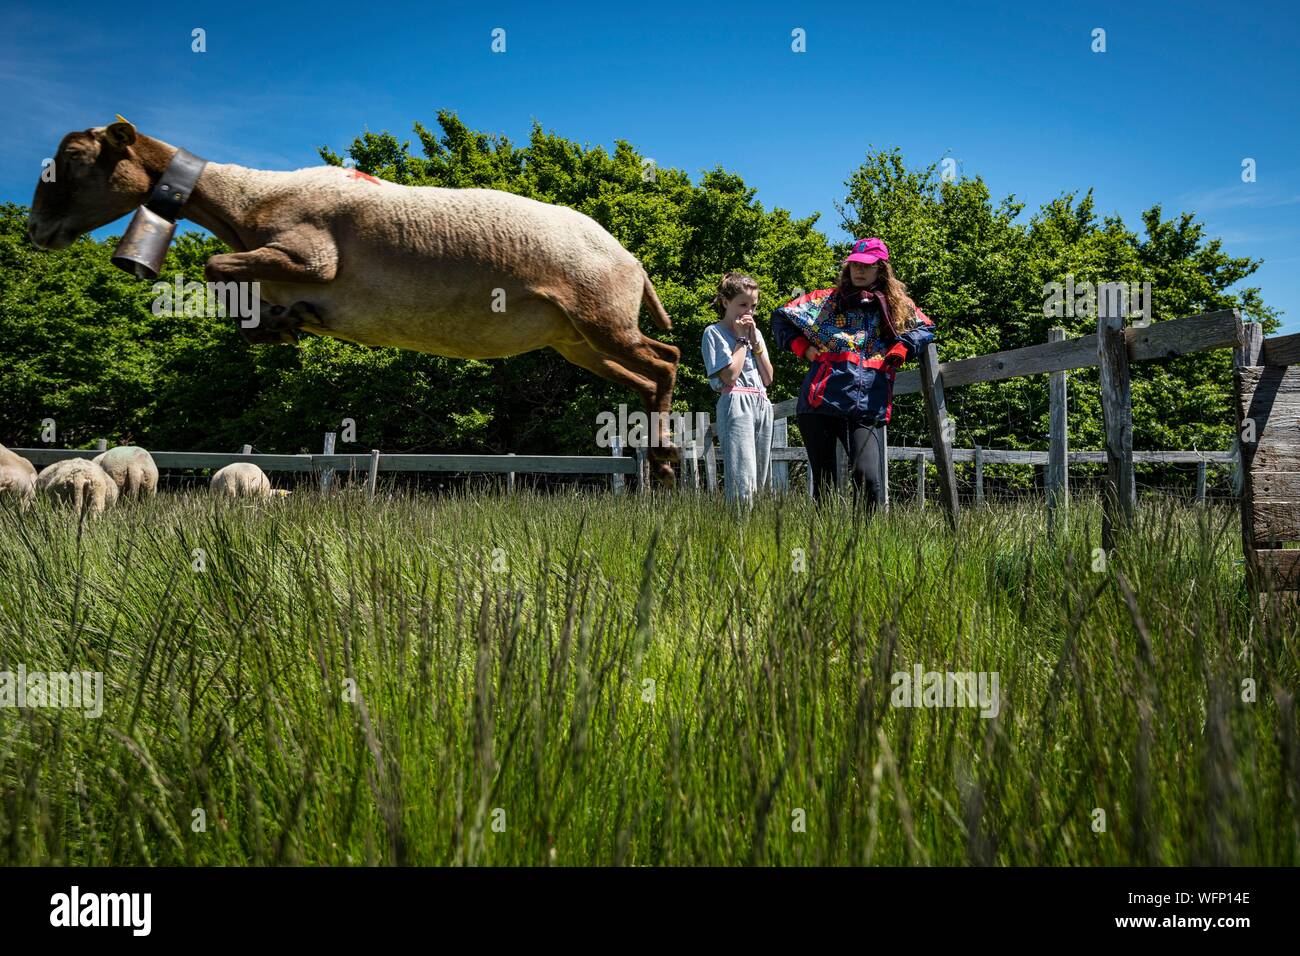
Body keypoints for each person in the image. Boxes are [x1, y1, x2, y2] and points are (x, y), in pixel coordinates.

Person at [770, 238, 935, 508]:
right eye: (854, 265)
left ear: (881, 269)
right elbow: (781, 316)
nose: (858, 271)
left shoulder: (899, 307)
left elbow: (927, 328)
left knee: (869, 480)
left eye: (866, 266)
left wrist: (903, 347)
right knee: (824, 483)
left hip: (867, 401)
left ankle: (864, 544)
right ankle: (823, 545)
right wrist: (803, 348)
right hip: (819, 401)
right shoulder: (825, 300)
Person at [701, 272, 774, 507]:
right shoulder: (714, 333)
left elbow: (768, 377)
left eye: (753, 305)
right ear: (725, 303)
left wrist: (754, 342)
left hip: (761, 402)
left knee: (760, 479)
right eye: (742, 304)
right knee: (743, 478)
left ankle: (755, 532)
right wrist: (741, 341)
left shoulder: (756, 334)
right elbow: (730, 376)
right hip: (736, 401)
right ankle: (739, 532)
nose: (749, 311)